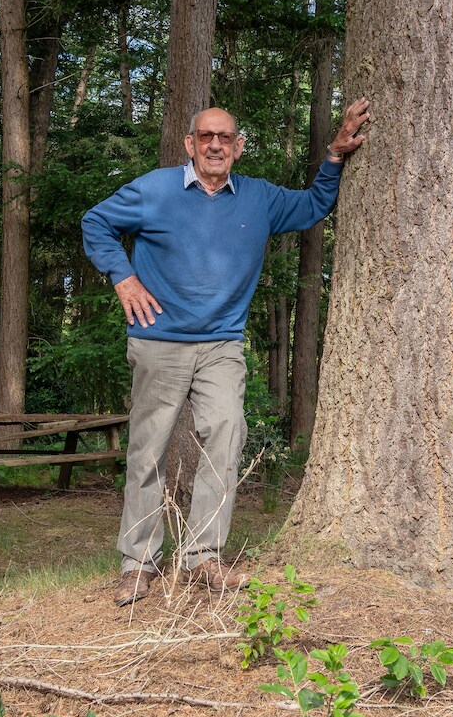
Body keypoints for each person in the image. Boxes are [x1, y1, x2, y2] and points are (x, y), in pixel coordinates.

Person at [82, 99, 370, 605]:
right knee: (148, 449)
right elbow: (96, 222)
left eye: (225, 138)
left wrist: (334, 155)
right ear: (189, 145)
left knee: (227, 434)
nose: (215, 145)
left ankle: (202, 557)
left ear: (238, 147)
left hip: (221, 344)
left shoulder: (258, 199)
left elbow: (313, 205)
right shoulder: (153, 190)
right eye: (205, 137)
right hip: (158, 341)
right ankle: (138, 562)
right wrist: (123, 277)